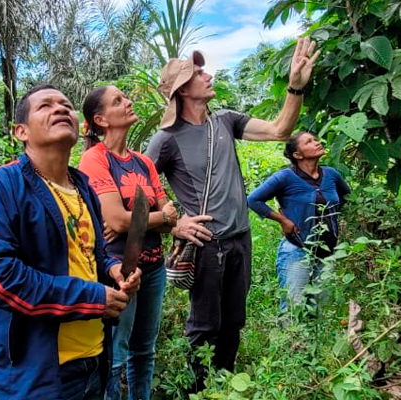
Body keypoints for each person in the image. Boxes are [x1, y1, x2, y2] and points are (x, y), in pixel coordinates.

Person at [143, 37, 319, 392]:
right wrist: (175, 224)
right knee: (205, 326)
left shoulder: (225, 121)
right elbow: (141, 189)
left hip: (240, 239)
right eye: (197, 73)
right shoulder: (166, 139)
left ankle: (225, 387)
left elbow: (279, 130)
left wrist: (295, 86)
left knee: (234, 321)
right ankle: (199, 391)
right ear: (182, 90)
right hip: (207, 246)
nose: (207, 75)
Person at [0, 84, 141, 400]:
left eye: (65, 104)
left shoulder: (82, 187)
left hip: (94, 358)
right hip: (39, 375)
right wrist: (92, 297)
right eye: (45, 106)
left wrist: (111, 269)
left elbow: (88, 252)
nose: (59, 109)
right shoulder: (1, 185)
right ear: (21, 132)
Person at [78, 86, 179, 400]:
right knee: (116, 354)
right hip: (120, 270)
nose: (129, 102)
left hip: (154, 268)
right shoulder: (94, 160)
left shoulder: (143, 162)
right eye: (118, 101)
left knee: (144, 351)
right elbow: (119, 220)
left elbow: (170, 216)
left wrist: (156, 217)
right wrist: (158, 215)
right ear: (101, 119)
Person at [247, 132, 351, 308]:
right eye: (309, 142)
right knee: (293, 308)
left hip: (327, 251)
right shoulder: (285, 177)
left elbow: (345, 196)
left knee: (322, 310)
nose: (317, 143)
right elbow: (253, 200)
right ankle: (292, 337)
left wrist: (330, 215)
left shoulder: (332, 174)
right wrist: (283, 220)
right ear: (297, 155)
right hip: (297, 249)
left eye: (316, 139)